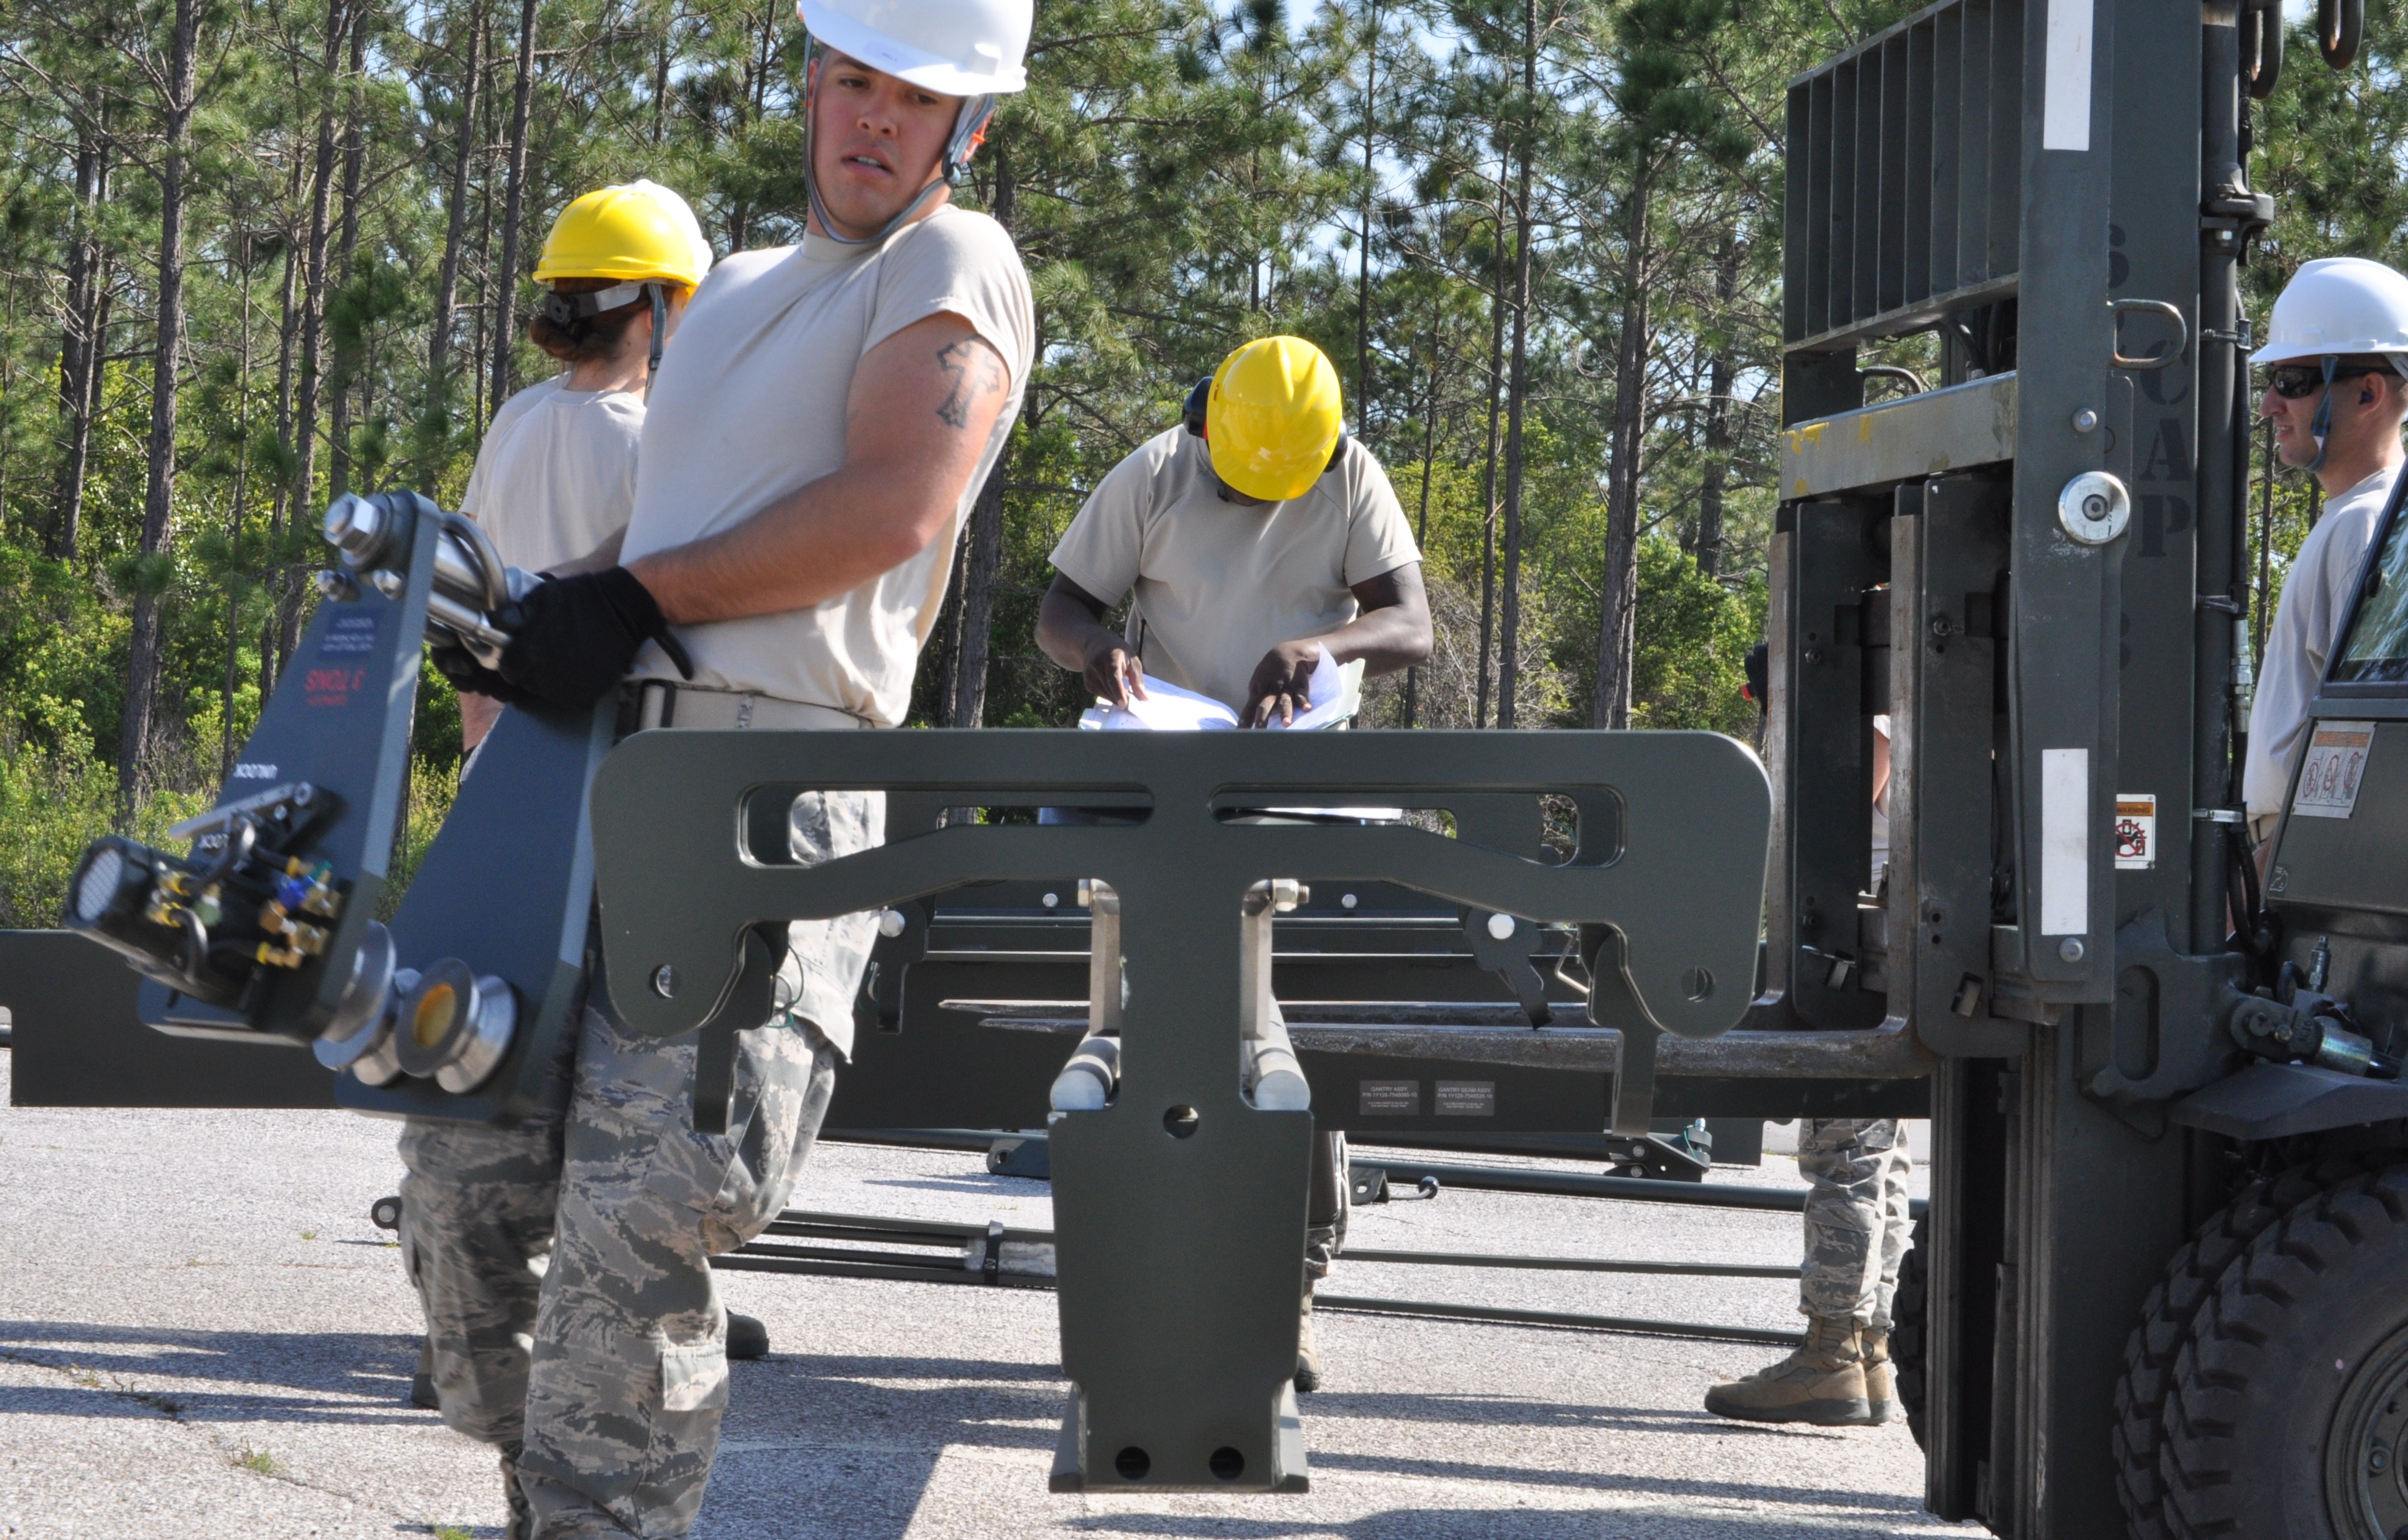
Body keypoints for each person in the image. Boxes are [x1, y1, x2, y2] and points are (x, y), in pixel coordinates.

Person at [402, 1, 1036, 1534]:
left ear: (971, 125)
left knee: (650, 1218)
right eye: (854, 81)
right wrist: (550, 617)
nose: (874, 118)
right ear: (812, 84)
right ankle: (553, 1499)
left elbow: (895, 499)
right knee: (458, 1180)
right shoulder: (739, 289)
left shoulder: (954, 266)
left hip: (766, 795)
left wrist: (629, 601)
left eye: (914, 95)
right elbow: (682, 531)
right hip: (593, 776)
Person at [1033, 334, 1434, 1392]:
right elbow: (1060, 608)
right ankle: (1153, 1278)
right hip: (1164, 787)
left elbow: (1411, 625)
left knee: (1268, 1029)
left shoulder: (1347, 473)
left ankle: (1286, 1288)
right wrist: (1096, 651)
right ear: (1205, 421)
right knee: (1167, 1024)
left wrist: (1324, 651)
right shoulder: (1156, 472)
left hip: (1291, 792)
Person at [1706, 683, 1912, 1426]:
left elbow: (1839, 816)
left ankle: (1832, 1357)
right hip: (1875, 951)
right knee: (1876, 1161)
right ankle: (1868, 1352)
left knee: (1846, 1159)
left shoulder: (1874, 710)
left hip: (1858, 954)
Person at [454, 180, 713, 756]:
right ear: (654, 312)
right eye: (685, 300)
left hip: (512, 753)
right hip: (620, 766)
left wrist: (480, 747)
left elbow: (468, 603)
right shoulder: (657, 442)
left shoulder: (513, 420)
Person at [2243, 256, 2408, 856]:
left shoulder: (2369, 525)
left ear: (2368, 392)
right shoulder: (2356, 518)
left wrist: (2275, 865)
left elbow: (2363, 741)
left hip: (2306, 857)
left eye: (2290, 383)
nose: (2268, 406)